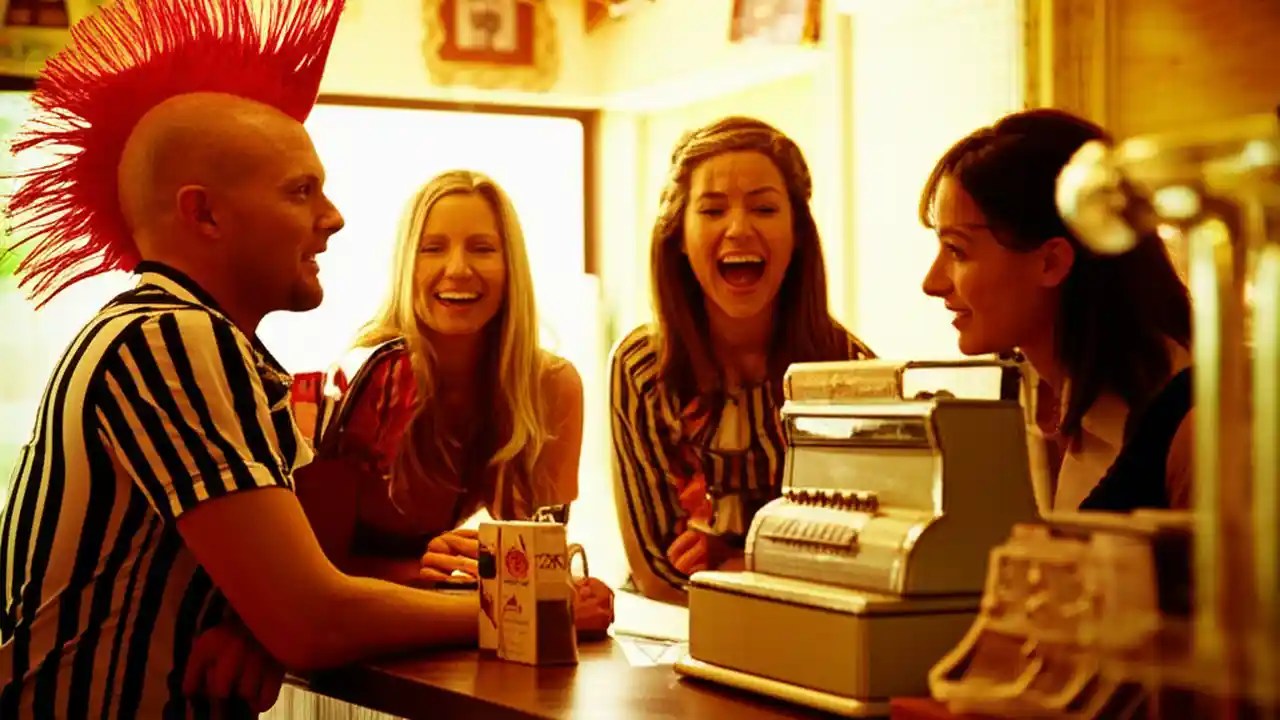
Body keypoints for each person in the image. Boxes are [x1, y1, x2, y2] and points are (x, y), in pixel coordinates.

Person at [0, 2, 605, 717]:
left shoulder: (203, 345)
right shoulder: (172, 341)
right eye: (301, 191)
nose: (335, 218)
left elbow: (281, 593)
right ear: (205, 214)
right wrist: (527, 610)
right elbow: (312, 618)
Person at [292, 170, 608, 612]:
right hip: (358, 634)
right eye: (433, 248)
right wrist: (423, 572)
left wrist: (569, 591)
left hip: (458, 634)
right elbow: (311, 572)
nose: (458, 269)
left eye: (482, 248)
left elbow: (538, 561)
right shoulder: (364, 379)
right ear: (408, 264)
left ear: (511, 264)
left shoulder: (551, 385)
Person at [610, 116, 875, 604]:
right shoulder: (643, 368)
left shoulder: (851, 372)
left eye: (764, 208)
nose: (738, 228)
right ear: (679, 238)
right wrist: (789, 566)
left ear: (797, 233)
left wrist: (742, 560)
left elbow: (867, 558)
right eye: (712, 210)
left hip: (815, 637)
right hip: (670, 638)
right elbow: (655, 571)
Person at [919, 108, 1194, 513]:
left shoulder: (1192, 429)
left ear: (1050, 262)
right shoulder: (1024, 413)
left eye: (957, 250)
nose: (932, 282)